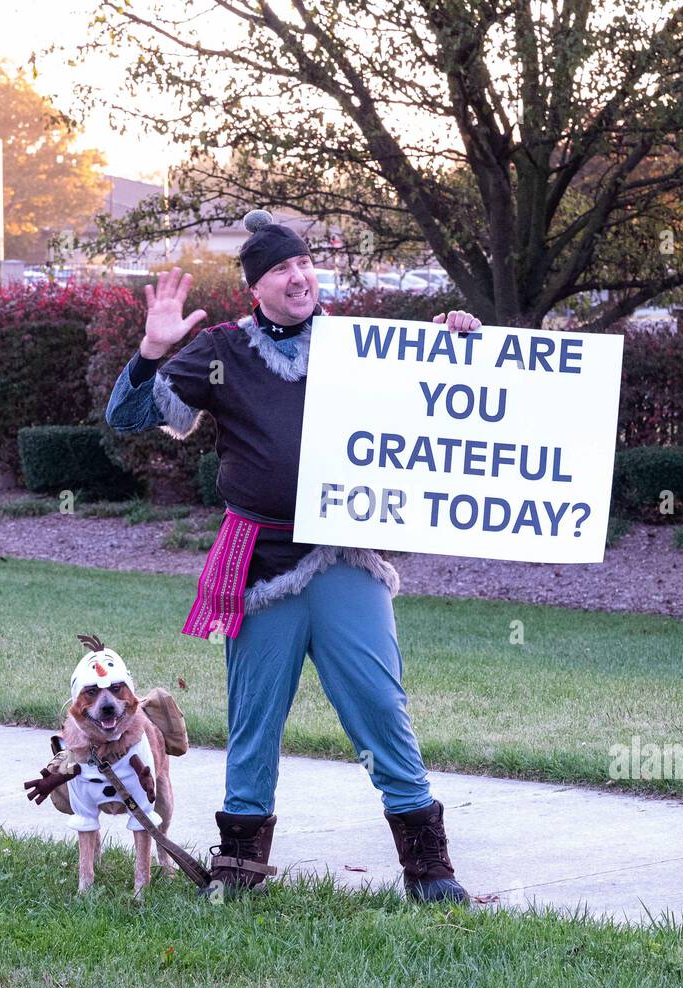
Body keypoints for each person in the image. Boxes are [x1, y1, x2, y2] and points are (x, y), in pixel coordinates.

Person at [105, 210, 481, 903]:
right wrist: (152, 353)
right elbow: (128, 418)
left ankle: (431, 871)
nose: (298, 276)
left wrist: (458, 340)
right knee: (254, 723)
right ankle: (241, 870)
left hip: (345, 559)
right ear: (255, 288)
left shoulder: (364, 345)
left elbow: (444, 398)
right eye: (280, 268)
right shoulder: (223, 348)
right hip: (261, 566)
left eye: (304, 263)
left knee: (380, 709)